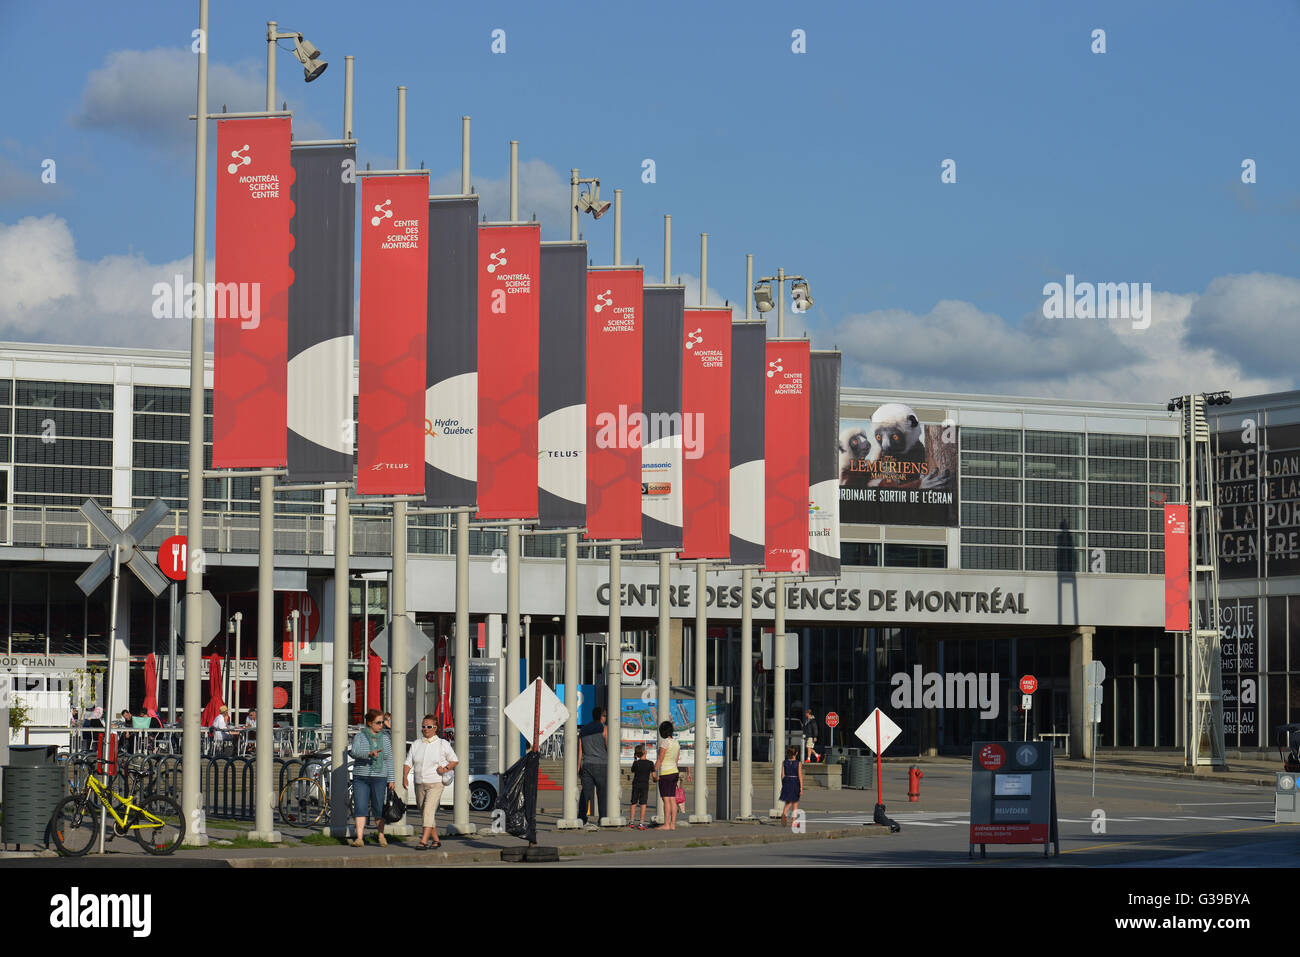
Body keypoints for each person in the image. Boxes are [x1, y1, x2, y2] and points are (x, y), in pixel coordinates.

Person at [402, 714, 458, 849]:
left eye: (429, 726)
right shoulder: (416, 744)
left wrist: (445, 769)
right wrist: (404, 776)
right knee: (424, 812)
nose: (425, 729)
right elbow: (408, 762)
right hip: (419, 783)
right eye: (423, 726)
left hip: (436, 783)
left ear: (435, 728)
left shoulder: (442, 744)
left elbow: (454, 760)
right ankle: (436, 840)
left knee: (428, 810)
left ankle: (424, 840)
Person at [350, 708, 395, 847]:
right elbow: (354, 752)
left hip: (379, 777)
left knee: (378, 807)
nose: (381, 725)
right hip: (361, 776)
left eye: (383, 722)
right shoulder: (360, 736)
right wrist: (369, 753)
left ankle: (381, 835)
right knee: (360, 807)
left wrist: (391, 779)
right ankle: (359, 838)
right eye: (378, 722)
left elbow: (389, 759)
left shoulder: (385, 739)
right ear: (370, 723)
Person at [577, 706, 608, 830]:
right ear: (600, 716)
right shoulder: (604, 729)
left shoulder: (583, 730)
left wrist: (578, 766)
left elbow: (580, 750)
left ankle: (582, 818)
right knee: (602, 793)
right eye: (604, 715)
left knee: (586, 792)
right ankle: (603, 818)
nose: (605, 718)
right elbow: (608, 746)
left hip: (587, 765)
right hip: (601, 765)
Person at [654, 720, 680, 830]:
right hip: (674, 771)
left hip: (665, 773)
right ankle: (673, 824)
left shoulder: (665, 742)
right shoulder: (676, 742)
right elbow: (676, 759)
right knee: (672, 799)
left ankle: (666, 824)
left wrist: (654, 770)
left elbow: (660, 758)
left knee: (666, 799)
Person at [628, 744, 653, 830]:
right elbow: (653, 776)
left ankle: (631, 821)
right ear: (644, 752)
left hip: (636, 784)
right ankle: (641, 822)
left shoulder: (636, 763)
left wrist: (635, 759)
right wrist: (657, 779)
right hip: (644, 785)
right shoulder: (650, 763)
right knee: (643, 803)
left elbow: (632, 770)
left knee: (633, 802)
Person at [780, 746, 804, 825]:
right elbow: (800, 775)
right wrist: (801, 787)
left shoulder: (784, 762)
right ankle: (794, 821)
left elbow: (782, 775)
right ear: (796, 753)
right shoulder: (798, 763)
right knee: (795, 802)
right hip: (795, 781)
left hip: (787, 781)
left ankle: (784, 813)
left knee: (788, 801)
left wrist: (784, 784)